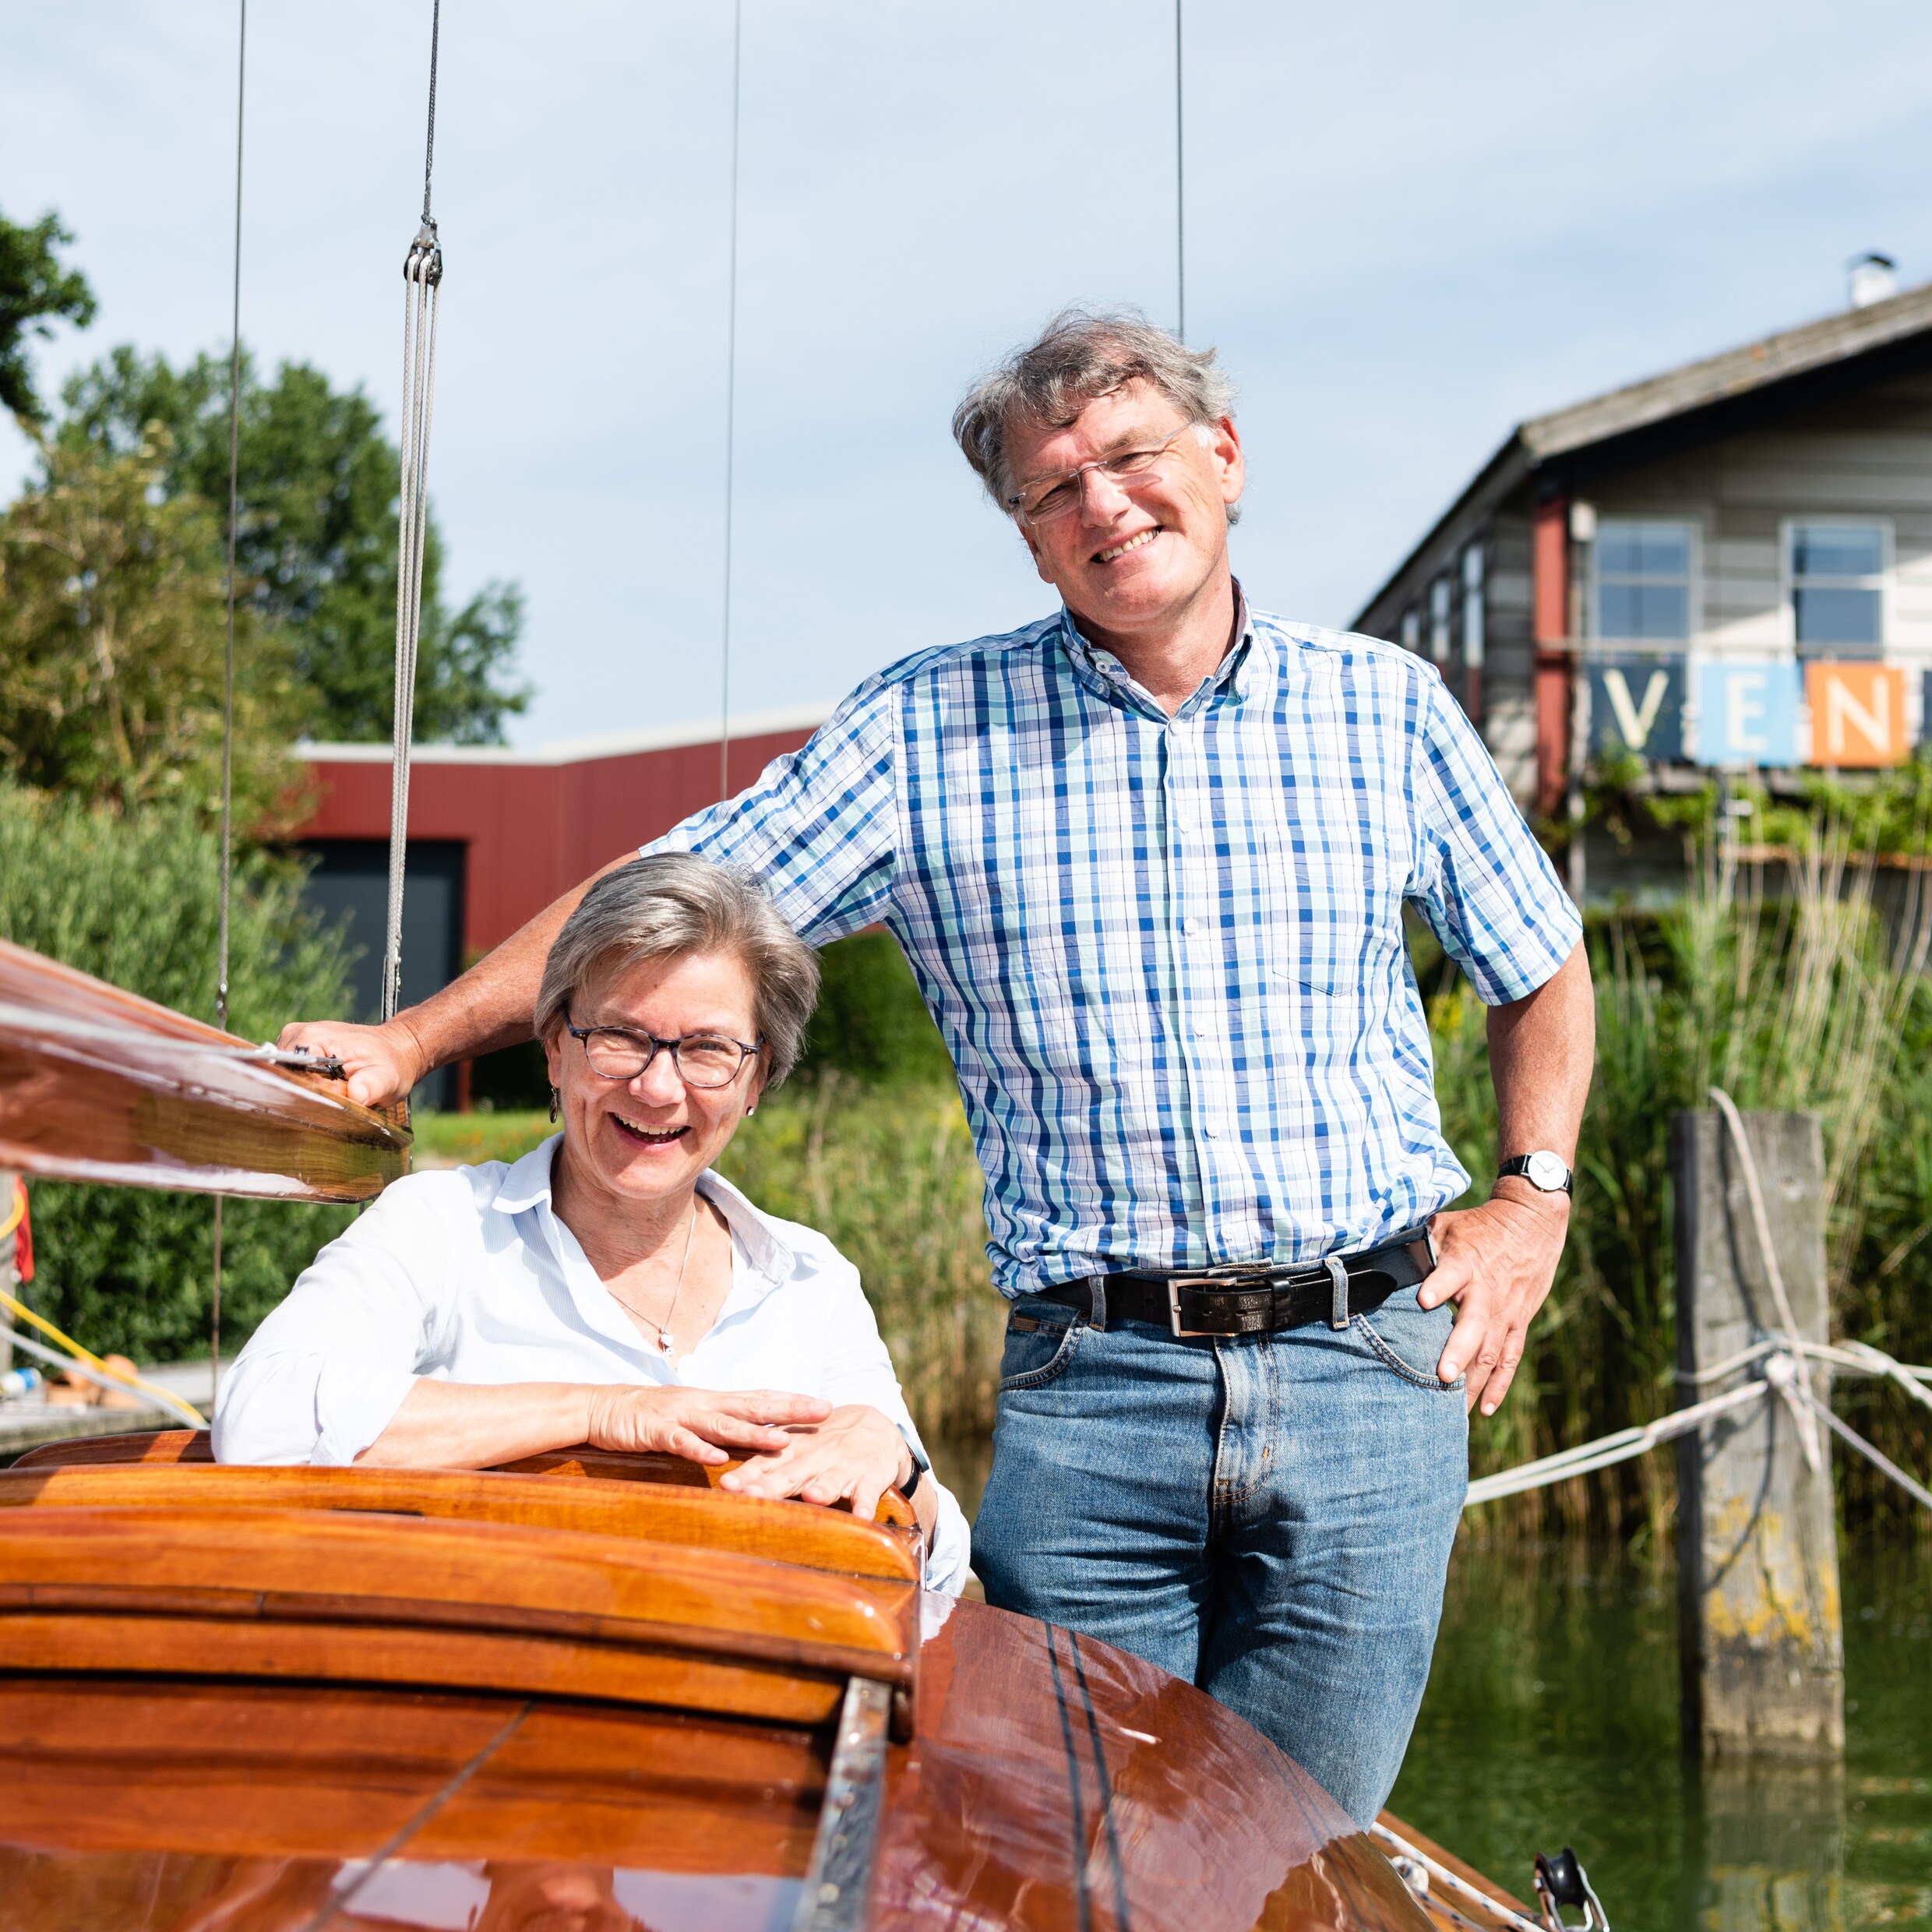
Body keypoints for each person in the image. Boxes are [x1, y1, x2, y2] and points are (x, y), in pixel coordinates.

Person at [278, 309, 1595, 1824]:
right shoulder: (928, 732)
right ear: (1030, 540)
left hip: (1371, 1367)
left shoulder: (1389, 711)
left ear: (1224, 459)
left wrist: (1532, 1195)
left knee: (1304, 1854)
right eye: (1055, 489)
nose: (1103, 504)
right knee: (1067, 1853)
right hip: (1099, 1393)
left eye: (1131, 456)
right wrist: (412, 1040)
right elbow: (658, 905)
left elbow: (1542, 964)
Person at [219, 854, 970, 1595]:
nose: (657, 1087)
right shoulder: (443, 1227)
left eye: (707, 1049)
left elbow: (934, 1562)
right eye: (622, 1037)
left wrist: (899, 1463)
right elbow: (264, 1421)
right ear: (555, 1049)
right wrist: (603, 1410)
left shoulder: (809, 1277)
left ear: (757, 1078)